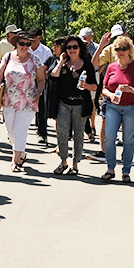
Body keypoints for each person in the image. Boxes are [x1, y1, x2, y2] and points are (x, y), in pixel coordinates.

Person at [0, 30, 46, 173]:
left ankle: (15, 161)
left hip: (28, 101)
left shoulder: (35, 60)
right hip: (8, 100)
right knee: (10, 131)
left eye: (28, 44)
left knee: (20, 131)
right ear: (16, 43)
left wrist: (38, 92)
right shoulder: (8, 57)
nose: (25, 46)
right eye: (22, 43)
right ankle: (20, 152)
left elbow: (41, 80)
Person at [99, 36, 134, 183]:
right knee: (109, 137)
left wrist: (131, 89)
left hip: (132, 107)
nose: (120, 52)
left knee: (128, 140)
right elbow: (104, 89)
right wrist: (110, 95)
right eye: (117, 49)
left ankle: (126, 170)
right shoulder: (111, 67)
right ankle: (110, 168)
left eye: (123, 49)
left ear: (129, 50)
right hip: (113, 106)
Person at [50, 35, 96, 175]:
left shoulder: (87, 64)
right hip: (63, 102)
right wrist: (61, 61)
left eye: (75, 47)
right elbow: (53, 75)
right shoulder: (63, 63)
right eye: (69, 47)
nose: (72, 50)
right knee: (62, 133)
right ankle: (63, 162)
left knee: (78, 135)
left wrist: (86, 85)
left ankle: (75, 165)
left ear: (80, 48)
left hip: (80, 103)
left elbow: (94, 86)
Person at [28, 28, 54, 146]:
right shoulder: (25, 48)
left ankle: (42, 134)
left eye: (34, 38)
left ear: (40, 38)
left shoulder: (46, 51)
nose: (32, 40)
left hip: (40, 80)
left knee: (41, 108)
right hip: (26, 81)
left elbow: (48, 68)